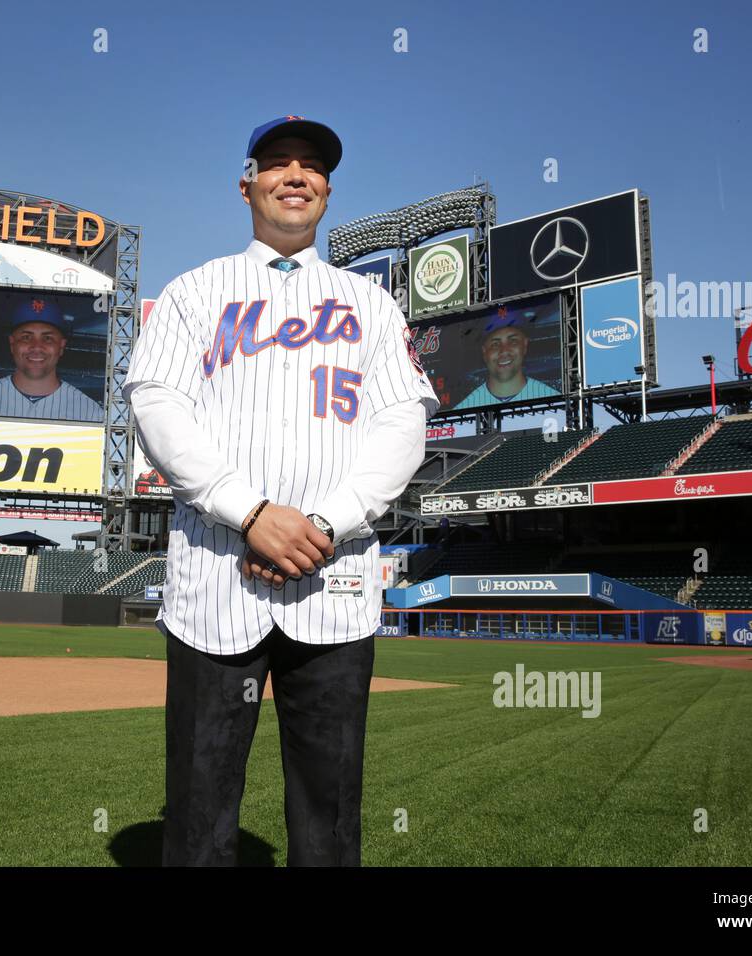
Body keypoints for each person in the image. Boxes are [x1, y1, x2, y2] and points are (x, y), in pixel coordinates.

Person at [123, 115, 439, 866]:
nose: (294, 175)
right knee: (198, 819)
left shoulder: (371, 303)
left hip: (334, 582)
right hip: (216, 580)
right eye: (276, 163)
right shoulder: (194, 292)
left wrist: (320, 524)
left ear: (327, 190)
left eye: (311, 166)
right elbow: (156, 406)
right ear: (247, 185)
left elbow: (402, 423)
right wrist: (251, 513)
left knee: (330, 822)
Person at [0, 297, 103, 421]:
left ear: (61, 346)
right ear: (12, 343)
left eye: (48, 338)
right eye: (26, 337)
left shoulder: (90, 413)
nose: (36, 347)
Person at [453, 312, 560, 407]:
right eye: (495, 344)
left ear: (525, 345)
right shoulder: (463, 409)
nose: (504, 351)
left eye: (513, 341)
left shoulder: (557, 403)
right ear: (484, 351)